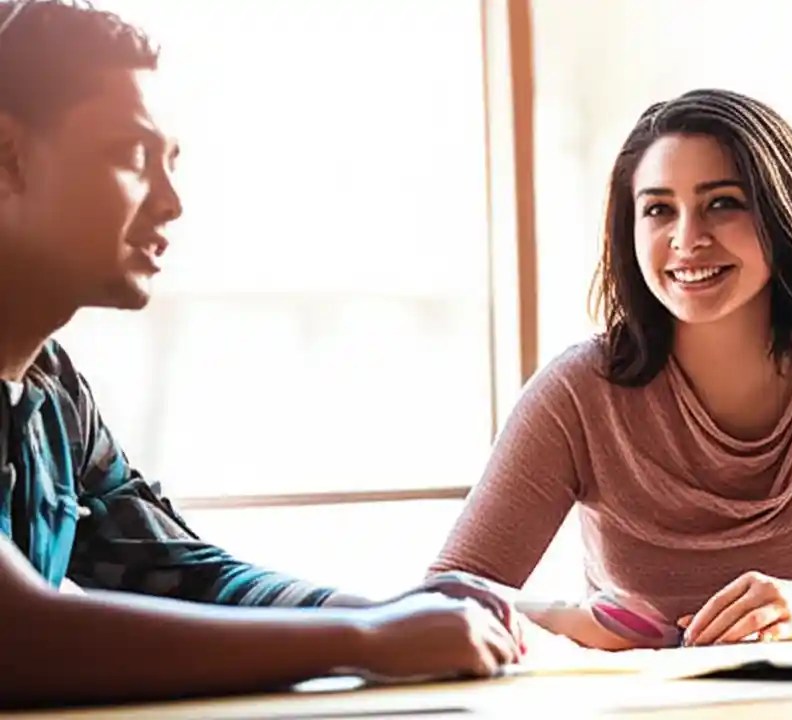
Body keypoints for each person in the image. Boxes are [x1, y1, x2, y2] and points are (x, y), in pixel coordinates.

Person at [0, 1, 518, 707]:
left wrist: (386, 611)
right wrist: (365, 640)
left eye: (171, 161)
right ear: (9, 157)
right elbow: (20, 636)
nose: (172, 201)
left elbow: (184, 575)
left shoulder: (53, 390)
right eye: (130, 155)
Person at [431, 88, 792, 649]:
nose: (687, 239)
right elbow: (445, 601)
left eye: (722, 203)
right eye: (657, 209)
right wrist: (564, 623)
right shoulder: (577, 392)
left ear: (782, 213)